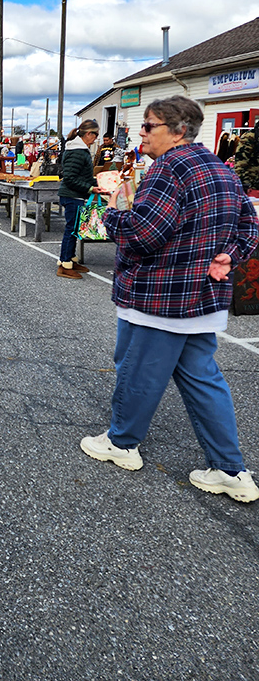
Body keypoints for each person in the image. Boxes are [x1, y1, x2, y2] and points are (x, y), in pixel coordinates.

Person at [81, 96, 259, 502]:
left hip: (160, 295)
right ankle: (230, 469)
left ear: (178, 131)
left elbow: (143, 234)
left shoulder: (168, 169)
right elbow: (250, 226)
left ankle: (122, 443)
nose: (141, 133)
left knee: (138, 372)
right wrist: (230, 256)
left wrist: (113, 210)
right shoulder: (221, 168)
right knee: (202, 379)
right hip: (203, 296)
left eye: (149, 125)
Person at [56, 119, 101, 279]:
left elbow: (83, 176)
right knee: (71, 229)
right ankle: (64, 264)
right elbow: (70, 178)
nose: (96, 139)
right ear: (88, 134)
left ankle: (70, 259)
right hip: (72, 195)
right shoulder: (77, 151)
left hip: (75, 195)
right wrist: (90, 188)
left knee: (74, 229)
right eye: (95, 135)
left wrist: (98, 184)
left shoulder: (79, 149)